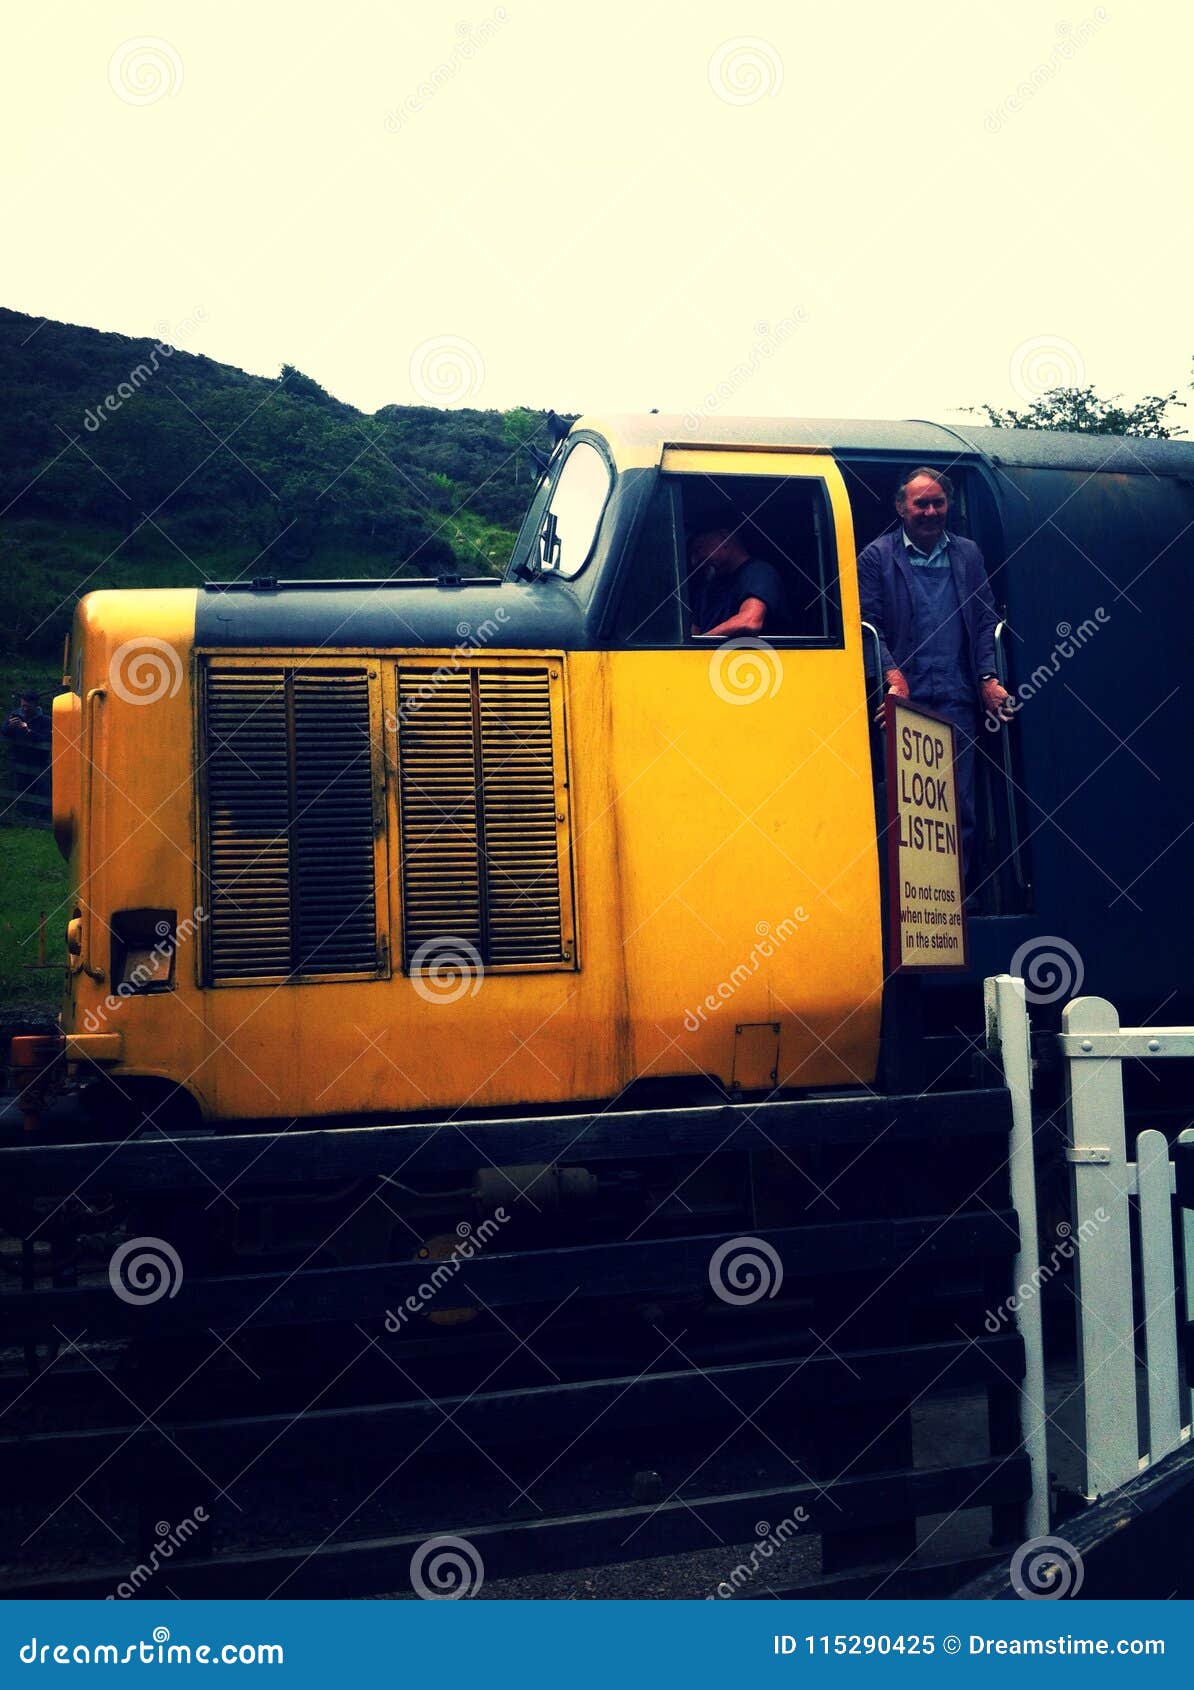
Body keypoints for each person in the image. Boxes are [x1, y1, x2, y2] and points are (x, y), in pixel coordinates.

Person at [857, 469, 1012, 879]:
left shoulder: (968, 554)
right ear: (901, 507)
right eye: (920, 503)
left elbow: (983, 621)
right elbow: (866, 624)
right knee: (907, 806)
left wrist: (988, 678)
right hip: (903, 700)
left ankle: (958, 906)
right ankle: (910, 913)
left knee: (959, 804)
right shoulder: (876, 556)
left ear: (949, 505)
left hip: (956, 696)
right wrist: (891, 674)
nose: (929, 511)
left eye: (937, 502)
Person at [688, 524, 788, 637]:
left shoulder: (759, 572)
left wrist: (701, 646)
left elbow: (749, 621)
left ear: (724, 538)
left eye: (699, 548)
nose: (695, 561)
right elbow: (695, 632)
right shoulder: (708, 588)